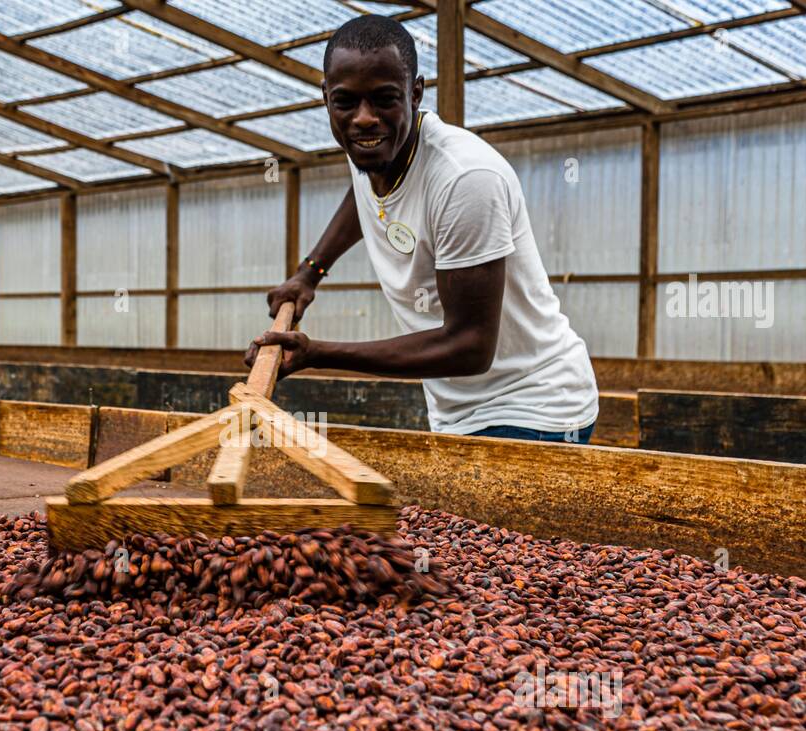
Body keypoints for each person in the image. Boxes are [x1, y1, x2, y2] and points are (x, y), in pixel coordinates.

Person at [249, 14, 599, 443]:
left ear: (415, 93)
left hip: (535, 407)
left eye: (384, 99)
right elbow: (363, 194)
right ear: (326, 97)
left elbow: (470, 345)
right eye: (345, 102)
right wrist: (310, 272)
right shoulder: (370, 146)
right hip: (457, 410)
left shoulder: (465, 180)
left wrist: (319, 353)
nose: (364, 118)